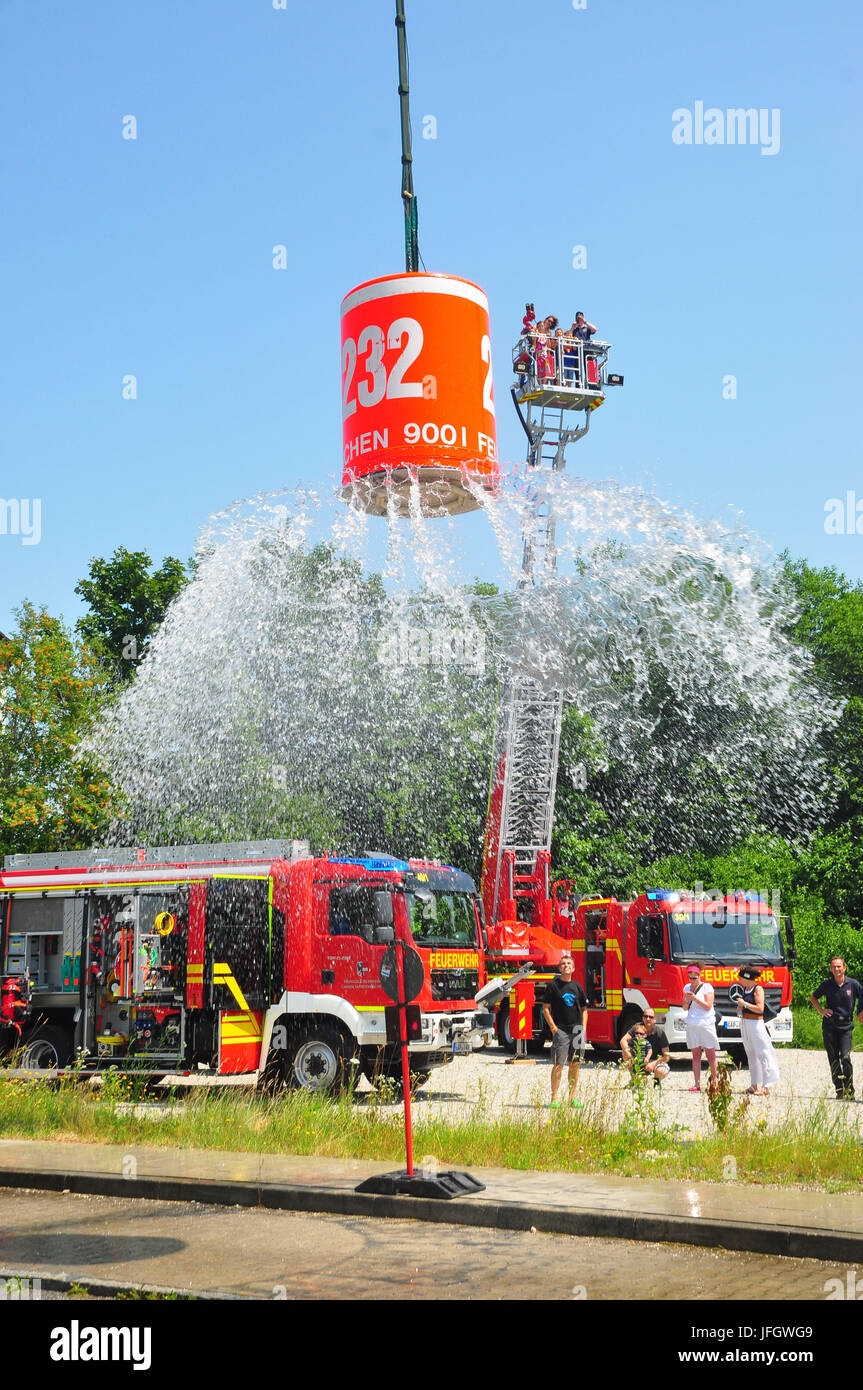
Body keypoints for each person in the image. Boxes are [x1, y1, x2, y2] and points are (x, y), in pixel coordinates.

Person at [810, 957, 863, 1100]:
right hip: (830, 1026)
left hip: (846, 1026)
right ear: (831, 969)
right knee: (833, 1059)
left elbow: (862, 997)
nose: (836, 969)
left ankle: (849, 1090)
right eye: (834, 966)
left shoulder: (853, 984)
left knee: (845, 1057)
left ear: (844, 968)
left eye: (839, 966)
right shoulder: (827, 984)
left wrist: (860, 1012)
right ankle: (839, 1089)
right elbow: (813, 997)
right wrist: (822, 1011)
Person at [542, 951, 588, 1108]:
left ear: (573, 968)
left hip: (577, 1030)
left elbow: (584, 1009)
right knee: (558, 1064)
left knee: (575, 1064)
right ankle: (554, 1098)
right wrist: (554, 1028)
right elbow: (546, 1009)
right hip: (561, 1030)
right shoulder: (553, 986)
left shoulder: (577, 987)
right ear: (559, 968)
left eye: (569, 964)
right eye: (563, 964)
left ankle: (572, 1098)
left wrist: (583, 1028)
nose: (566, 966)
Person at [735, 965, 780, 1096]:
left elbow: (760, 1008)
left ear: (747, 978)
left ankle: (766, 1085)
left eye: (741, 978)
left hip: (756, 1024)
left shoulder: (757, 989)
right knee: (750, 1054)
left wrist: (745, 1004)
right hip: (746, 1022)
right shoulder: (745, 989)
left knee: (763, 1053)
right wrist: (740, 1008)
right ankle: (754, 1084)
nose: (740, 980)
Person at [682, 961, 719, 1091]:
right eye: (690, 977)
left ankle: (715, 1082)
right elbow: (685, 1008)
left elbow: (708, 1006)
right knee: (696, 1054)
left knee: (710, 1053)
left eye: (694, 977)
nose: (692, 980)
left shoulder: (707, 987)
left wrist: (695, 998)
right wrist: (687, 1000)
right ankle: (697, 1084)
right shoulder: (686, 988)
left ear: (699, 975)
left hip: (706, 1023)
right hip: (692, 1023)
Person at [621, 1008, 671, 1086]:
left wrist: (653, 1064)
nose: (648, 1019)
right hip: (640, 1059)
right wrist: (628, 1052)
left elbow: (667, 1057)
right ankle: (634, 1078)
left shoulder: (660, 1033)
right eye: (646, 1016)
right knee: (624, 1052)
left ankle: (656, 1081)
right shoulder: (637, 1028)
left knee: (661, 1071)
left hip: (655, 1061)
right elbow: (623, 1040)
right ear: (642, 1017)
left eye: (651, 1017)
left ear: (655, 1019)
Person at [532, 315, 559, 381]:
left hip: (545, 353)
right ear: (545, 320)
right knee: (538, 369)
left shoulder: (549, 332)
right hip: (536, 350)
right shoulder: (537, 327)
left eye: (551, 322)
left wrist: (550, 339)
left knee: (546, 370)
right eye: (549, 321)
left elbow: (550, 346)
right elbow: (533, 337)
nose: (549, 323)